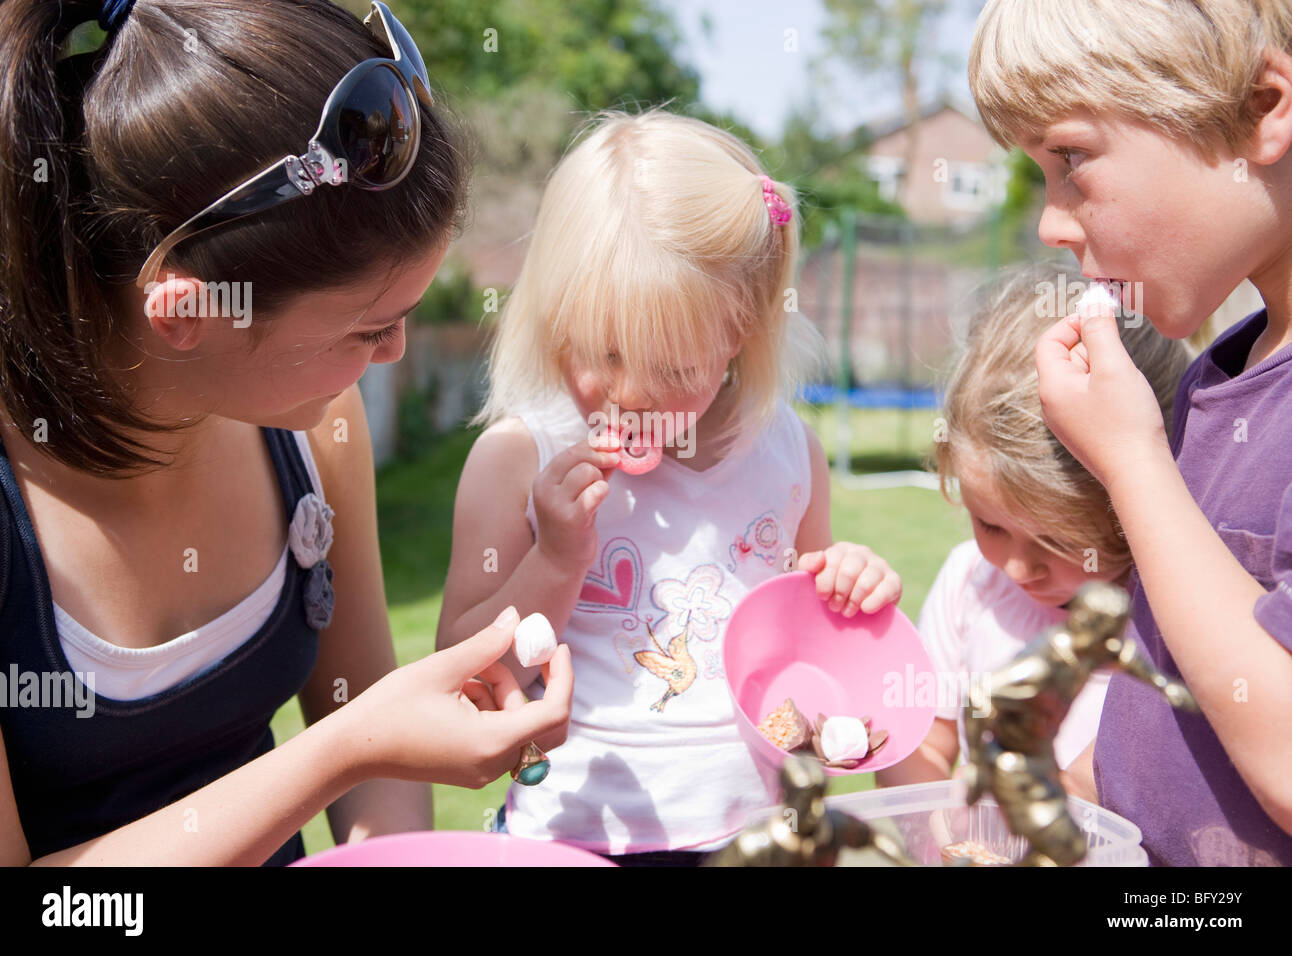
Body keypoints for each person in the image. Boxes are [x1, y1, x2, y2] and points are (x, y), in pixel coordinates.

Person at [0, 0, 570, 867]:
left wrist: (379, 775)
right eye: (368, 329)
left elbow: (367, 728)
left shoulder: (318, 432)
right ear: (187, 309)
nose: (395, 353)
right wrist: (344, 752)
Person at [437, 108, 903, 864]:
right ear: (553, 317)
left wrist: (847, 586)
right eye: (602, 353)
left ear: (740, 330)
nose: (630, 395)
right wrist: (556, 555)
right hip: (574, 835)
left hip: (757, 838)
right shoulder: (518, 458)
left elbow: (803, 639)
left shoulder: (789, 455)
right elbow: (464, 669)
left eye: (676, 370)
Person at [970, 0, 1292, 865]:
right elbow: (1177, 709)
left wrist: (1131, 460)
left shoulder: (1150, 437)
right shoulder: (1212, 383)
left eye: (1072, 158)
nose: (1050, 220)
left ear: (1264, 112)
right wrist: (1062, 801)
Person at [877, 265, 1189, 792]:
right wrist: (939, 821)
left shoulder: (1173, 622)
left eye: (1061, 541)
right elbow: (929, 744)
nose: (1018, 569)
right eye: (990, 525)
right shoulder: (970, 584)